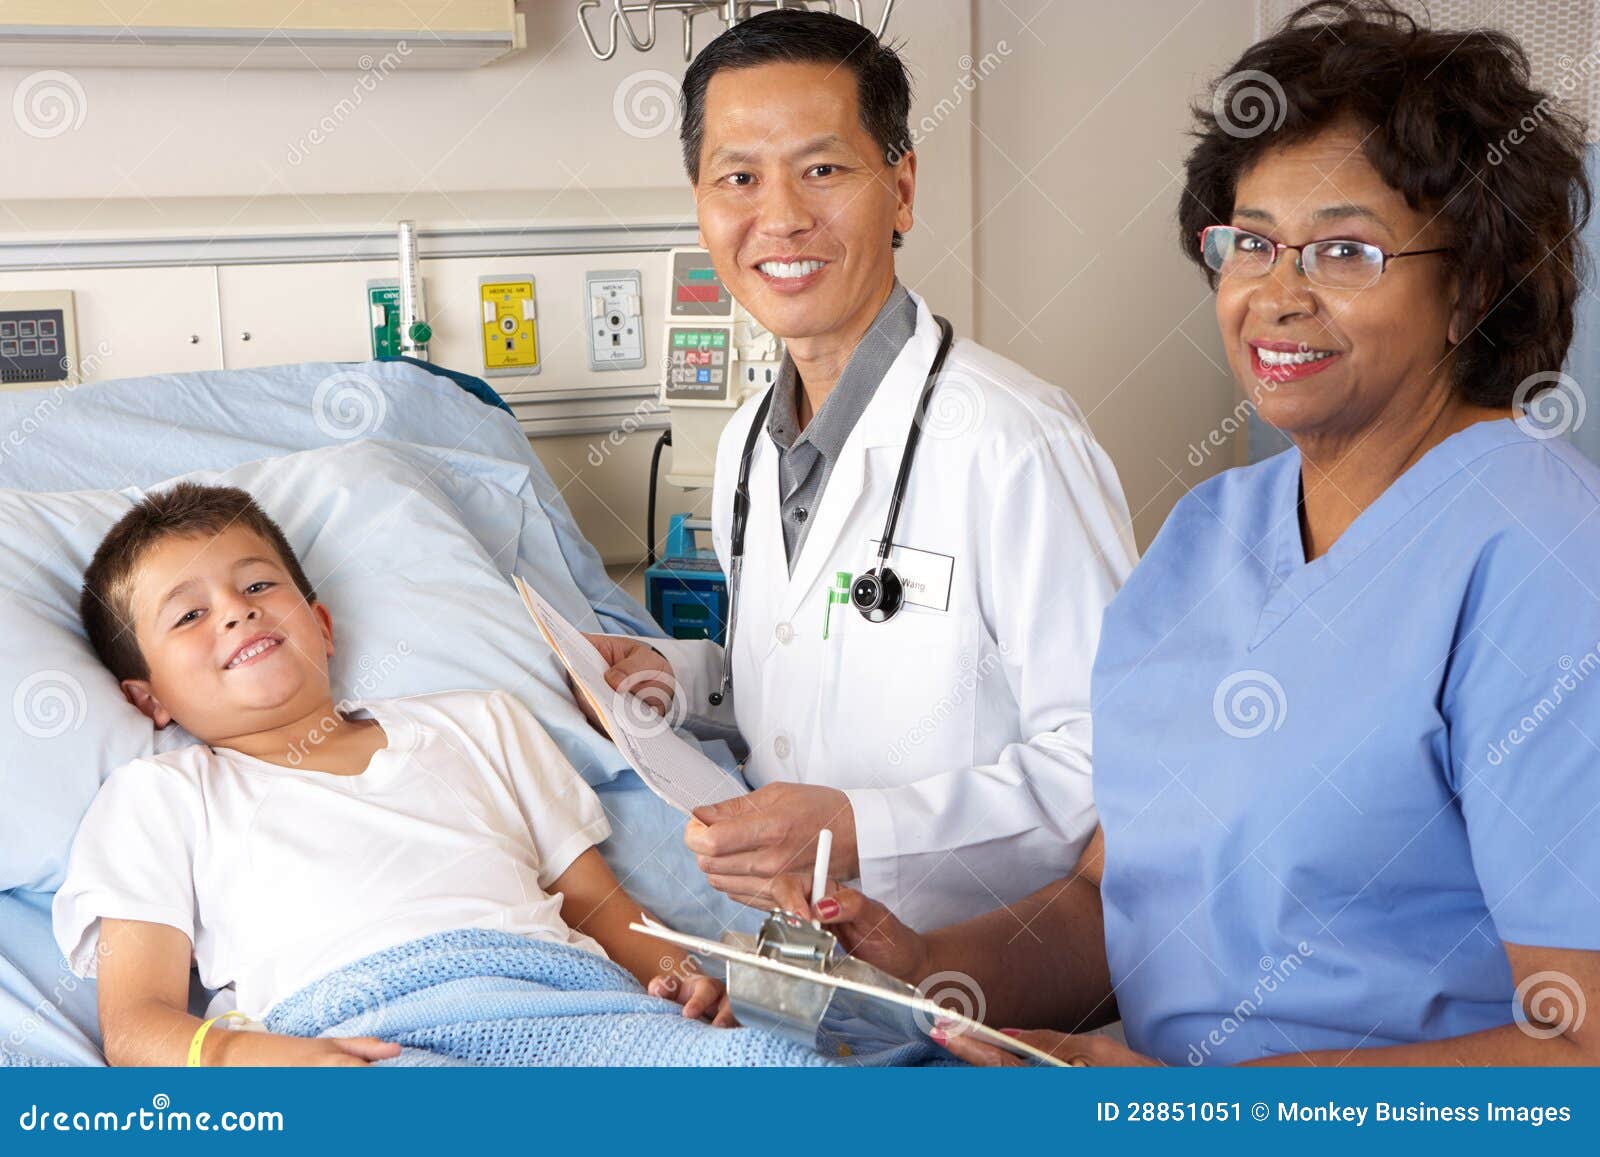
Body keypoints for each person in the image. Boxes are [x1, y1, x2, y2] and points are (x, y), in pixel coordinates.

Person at [775, 0, 1600, 1066]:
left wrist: (1191, 1112)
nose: (1277, 294)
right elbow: (1112, 905)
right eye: (1251, 243)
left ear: (1472, 286)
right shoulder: (1208, 533)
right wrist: (919, 967)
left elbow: (1579, 1049)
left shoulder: (1542, 556)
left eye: (1343, 251)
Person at [586, 8, 1136, 931]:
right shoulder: (748, 444)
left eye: (823, 170)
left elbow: (1114, 755)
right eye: (738, 178)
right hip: (802, 957)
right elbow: (797, 675)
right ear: (700, 203)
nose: (780, 218)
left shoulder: (1015, 442)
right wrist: (671, 678)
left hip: (979, 965)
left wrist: (859, 829)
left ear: (902, 188)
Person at [53, 483, 729, 1067]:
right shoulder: (160, 797)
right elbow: (135, 1025)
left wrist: (688, 978)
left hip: (580, 1011)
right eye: (189, 614)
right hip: (355, 1043)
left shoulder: (479, 721)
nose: (237, 610)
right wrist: (256, 1058)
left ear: (322, 626)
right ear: (148, 698)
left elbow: (600, 905)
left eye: (257, 585)